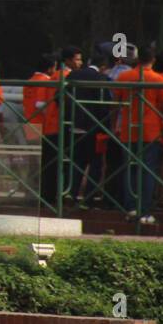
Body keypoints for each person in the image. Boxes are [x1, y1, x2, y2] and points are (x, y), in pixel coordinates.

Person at [114, 45, 163, 224]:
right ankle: (144, 210)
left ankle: (131, 207)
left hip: (128, 130)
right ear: (152, 60)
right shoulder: (159, 80)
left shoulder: (123, 77)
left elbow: (115, 105)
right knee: (147, 170)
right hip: (151, 131)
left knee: (130, 168)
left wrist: (112, 125)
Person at [63, 45, 110, 208]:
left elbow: (60, 98)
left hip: (74, 125)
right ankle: (88, 199)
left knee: (77, 163)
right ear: (104, 67)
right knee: (95, 164)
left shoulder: (73, 74)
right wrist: (106, 127)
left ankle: (72, 193)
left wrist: (70, 115)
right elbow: (104, 106)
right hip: (93, 128)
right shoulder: (101, 78)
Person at [23, 53, 62, 206]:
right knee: (45, 163)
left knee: (34, 162)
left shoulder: (29, 81)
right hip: (43, 127)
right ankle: (41, 196)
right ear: (50, 67)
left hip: (29, 124)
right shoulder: (45, 82)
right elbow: (41, 104)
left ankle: (29, 192)